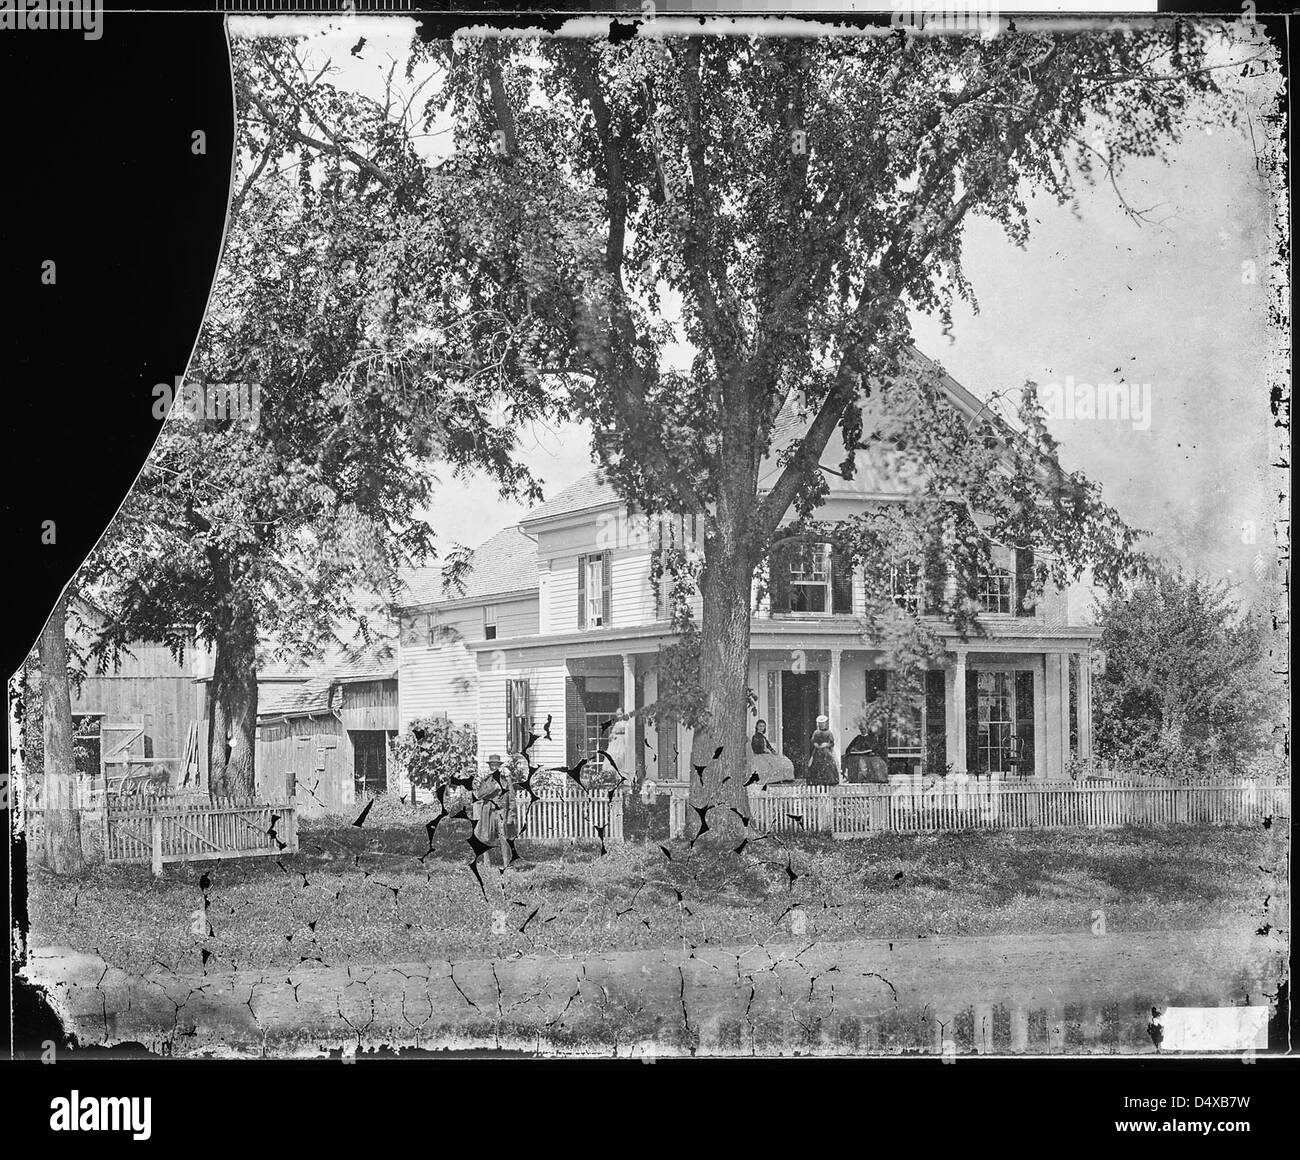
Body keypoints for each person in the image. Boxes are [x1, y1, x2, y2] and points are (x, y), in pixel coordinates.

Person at [749, 719, 795, 785]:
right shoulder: (755, 737)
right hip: (760, 756)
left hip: (766, 754)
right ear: (757, 727)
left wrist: (773, 752)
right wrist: (763, 751)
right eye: (760, 726)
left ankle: (783, 778)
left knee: (782, 762)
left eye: (763, 726)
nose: (761, 728)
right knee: (767, 767)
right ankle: (770, 780)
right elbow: (755, 749)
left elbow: (768, 746)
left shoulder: (763, 737)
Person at [807, 715, 840, 786]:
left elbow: (832, 743)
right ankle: (816, 781)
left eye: (823, 723)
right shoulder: (816, 732)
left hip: (826, 752)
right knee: (816, 765)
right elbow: (812, 740)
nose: (822, 725)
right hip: (817, 752)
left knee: (828, 766)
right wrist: (815, 744)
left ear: (825, 724)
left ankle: (829, 780)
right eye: (820, 723)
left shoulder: (829, 733)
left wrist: (826, 745)